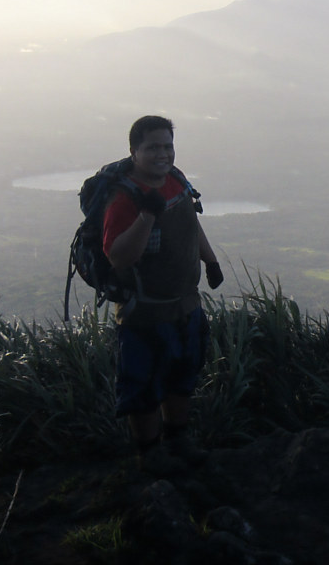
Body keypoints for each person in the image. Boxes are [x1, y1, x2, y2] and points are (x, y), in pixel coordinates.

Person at [102, 115, 224, 473]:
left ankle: (178, 442)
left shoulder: (175, 180)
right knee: (143, 386)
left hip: (186, 305)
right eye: (152, 147)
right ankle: (150, 456)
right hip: (145, 313)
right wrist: (145, 216)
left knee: (182, 374)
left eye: (167, 146)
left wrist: (211, 261)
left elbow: (191, 223)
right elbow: (119, 257)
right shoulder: (125, 198)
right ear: (134, 151)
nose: (162, 153)